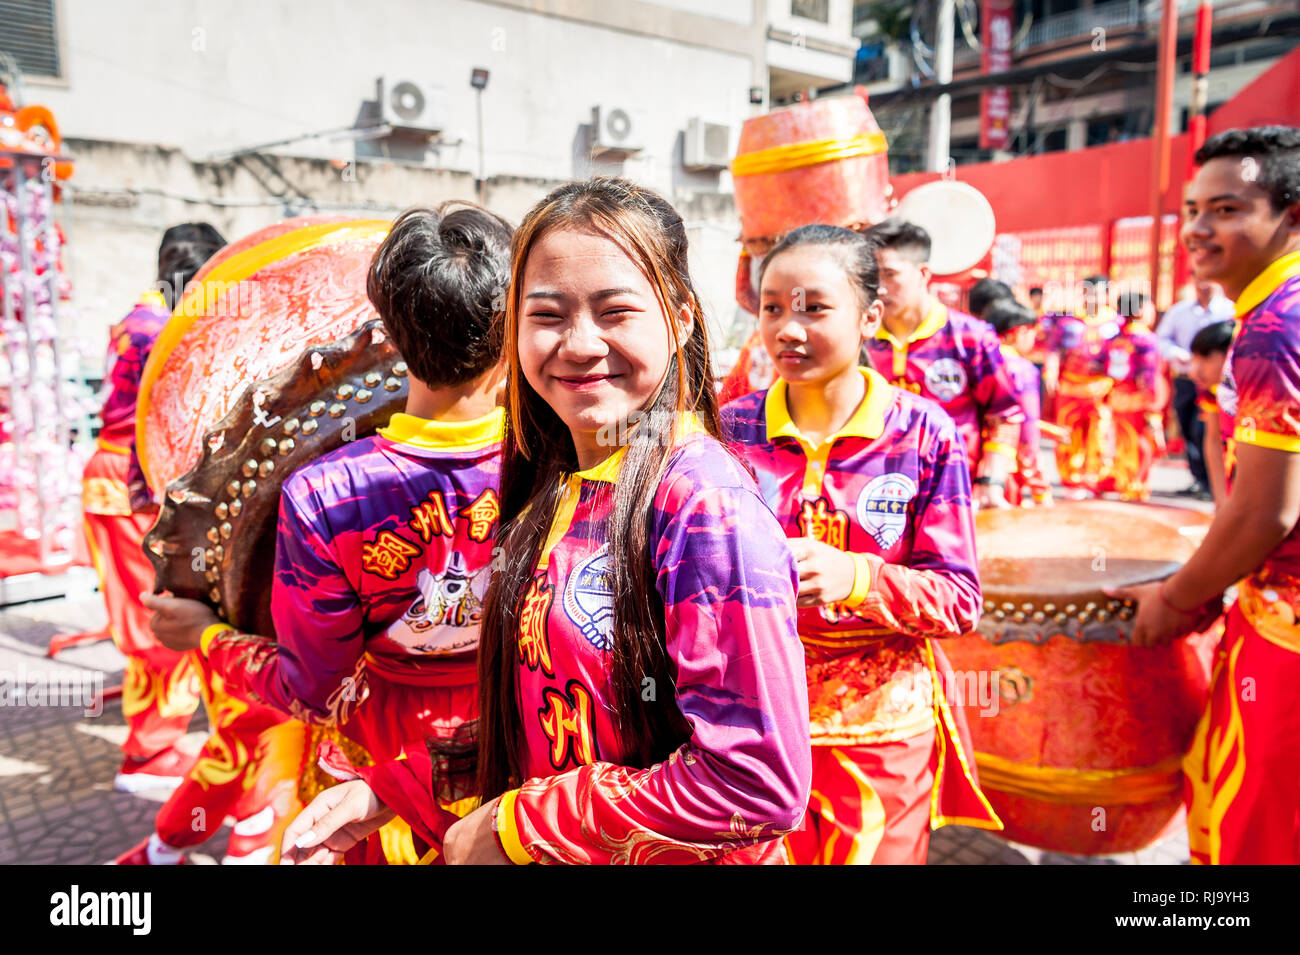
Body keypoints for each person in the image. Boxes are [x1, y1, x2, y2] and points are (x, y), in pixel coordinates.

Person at [280, 177, 812, 866]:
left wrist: (520, 826)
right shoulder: (555, 487)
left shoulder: (702, 505)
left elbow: (756, 783)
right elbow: (558, 720)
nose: (581, 344)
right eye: (548, 314)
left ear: (679, 315)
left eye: (615, 311)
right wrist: (394, 787)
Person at [145, 204, 513, 864]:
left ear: (387, 331)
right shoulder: (555, 462)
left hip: (379, 763)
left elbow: (310, 688)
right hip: (519, 738)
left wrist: (205, 633)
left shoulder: (323, 494)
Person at [723, 224, 1001, 864]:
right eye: (772, 307)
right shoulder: (731, 427)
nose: (787, 330)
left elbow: (959, 600)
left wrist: (858, 577)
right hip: (753, 726)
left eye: (814, 308)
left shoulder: (922, 433)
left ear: (870, 315)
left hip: (878, 734)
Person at [1115, 126, 1300, 865]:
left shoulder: (1275, 328)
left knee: (1250, 827)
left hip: (1287, 629)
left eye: (1225, 209)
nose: (1197, 228)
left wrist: (1176, 599)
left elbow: (1267, 511)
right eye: (1193, 208)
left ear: (1292, 214)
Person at [81, 224, 223, 794]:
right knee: (157, 617)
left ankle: (155, 738)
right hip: (132, 484)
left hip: (113, 477)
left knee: (145, 613)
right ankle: (148, 753)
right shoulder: (165, 331)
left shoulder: (136, 318)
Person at [860, 220, 1025, 507]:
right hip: (875, 494)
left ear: (923, 273)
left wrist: (991, 481)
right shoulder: (859, 336)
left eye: (890, 274)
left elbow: (1005, 413)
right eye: (873, 277)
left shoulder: (970, 337)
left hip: (955, 493)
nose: (880, 289)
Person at [1043, 274, 1121, 497]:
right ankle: (1073, 480)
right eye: (1088, 292)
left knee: (1101, 434)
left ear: (1107, 295)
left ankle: (1096, 479)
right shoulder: (1068, 322)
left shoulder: (1116, 323)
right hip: (1070, 388)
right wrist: (1051, 372)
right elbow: (1053, 349)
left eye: (1098, 292)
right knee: (1069, 434)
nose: (1093, 296)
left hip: (1103, 389)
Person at [1156, 279, 1235, 498]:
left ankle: (1216, 484)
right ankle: (1201, 480)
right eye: (1201, 279)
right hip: (1188, 381)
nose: (1205, 285)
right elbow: (1162, 339)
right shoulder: (1179, 311)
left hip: (1222, 383)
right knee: (1191, 427)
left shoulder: (1230, 309)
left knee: (1208, 431)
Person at [1098, 289, 1165, 501]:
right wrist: (1153, 408)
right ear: (1139, 310)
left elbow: (1099, 364)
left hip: (1118, 397)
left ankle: (1123, 481)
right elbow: (1148, 376)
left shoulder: (1116, 337)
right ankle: (1134, 485)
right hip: (1139, 400)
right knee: (1141, 444)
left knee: (1123, 441)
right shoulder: (1146, 340)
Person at [984, 298, 1052, 506]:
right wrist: (1039, 485)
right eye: (1033, 331)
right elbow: (1028, 430)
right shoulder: (1021, 369)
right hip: (1004, 467)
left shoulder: (981, 359)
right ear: (1020, 331)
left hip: (972, 462)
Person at [1187, 320, 1236, 507]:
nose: (1195, 370)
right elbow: (1213, 438)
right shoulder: (1210, 388)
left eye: (1205, 358)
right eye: (1195, 358)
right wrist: (1221, 500)